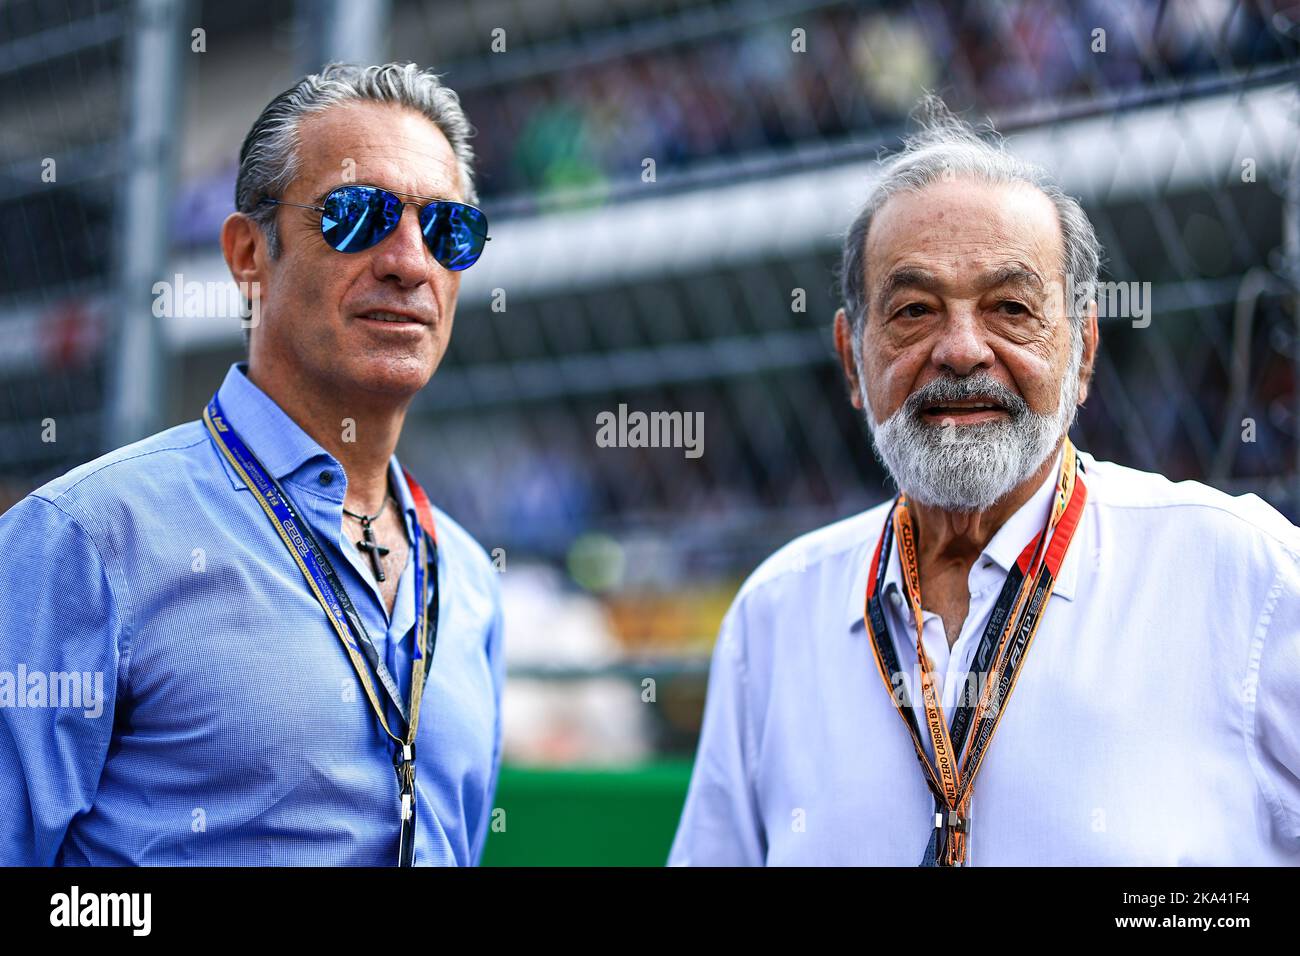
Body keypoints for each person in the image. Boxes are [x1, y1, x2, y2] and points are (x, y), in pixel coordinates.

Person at [669, 96, 1300, 866]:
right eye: (913, 311)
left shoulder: (1245, 579)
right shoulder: (772, 620)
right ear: (851, 360)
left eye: (1010, 307)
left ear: (1084, 350)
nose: (962, 350)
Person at [0, 62, 504, 866]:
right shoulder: (83, 544)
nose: (409, 261)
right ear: (246, 253)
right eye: (356, 215)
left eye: (447, 229)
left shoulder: (468, 581)